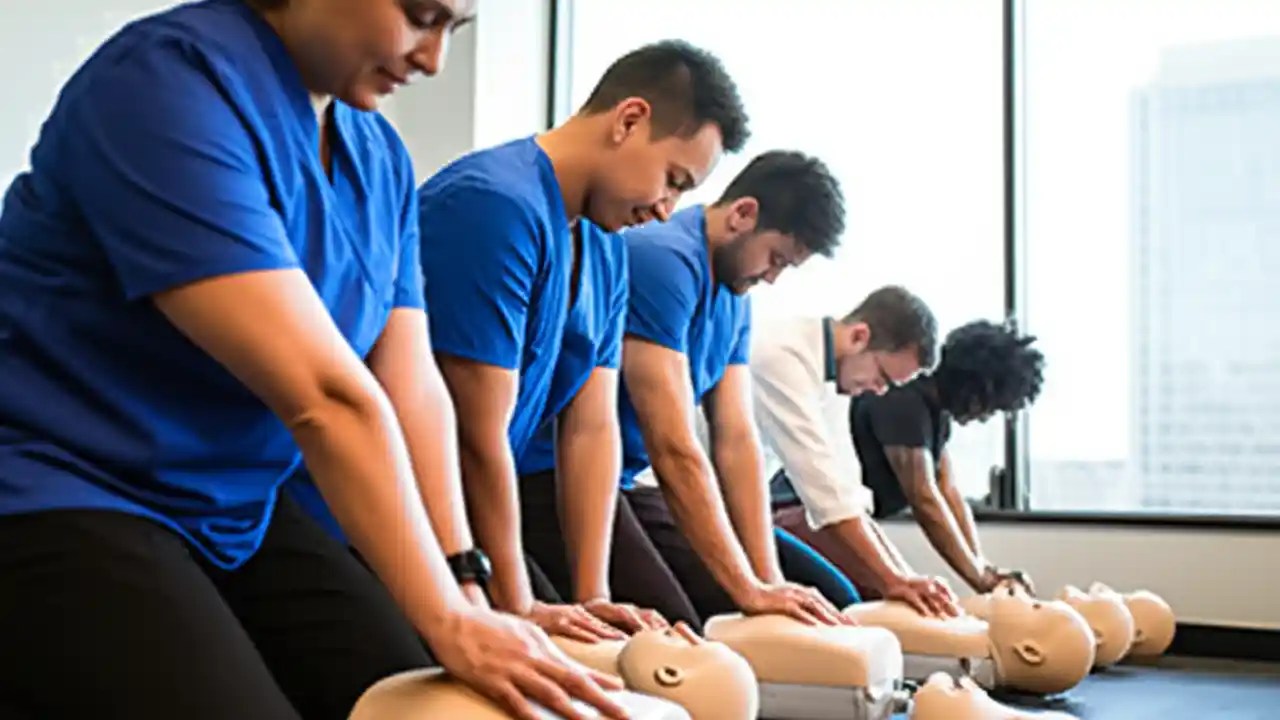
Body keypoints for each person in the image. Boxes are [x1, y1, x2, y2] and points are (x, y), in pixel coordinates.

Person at [0, 3, 627, 720]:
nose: (433, 60)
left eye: (456, 30)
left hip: (235, 504)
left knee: (453, 702)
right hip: (60, 488)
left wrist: (467, 591)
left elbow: (409, 384)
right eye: (422, 16)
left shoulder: (378, 156)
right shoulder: (166, 85)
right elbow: (325, 397)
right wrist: (451, 623)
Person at [415, 40, 751, 641]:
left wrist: (591, 593)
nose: (665, 208)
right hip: (406, 509)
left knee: (637, 653)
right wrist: (516, 602)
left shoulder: (604, 248)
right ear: (629, 120)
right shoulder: (493, 205)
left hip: (476, 510)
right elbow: (474, 431)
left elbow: (591, 428)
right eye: (672, 181)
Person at [606, 150, 856, 631]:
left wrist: (768, 579)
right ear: (743, 214)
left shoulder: (736, 298)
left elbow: (737, 439)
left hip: (628, 485)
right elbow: (674, 447)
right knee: (688, 624)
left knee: (829, 598)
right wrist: (747, 589)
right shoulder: (664, 259)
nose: (772, 277)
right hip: (560, 475)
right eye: (775, 258)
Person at [755, 286, 960, 617]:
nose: (879, 393)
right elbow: (823, 491)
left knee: (847, 594)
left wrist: (905, 576)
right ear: (859, 336)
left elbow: (846, 485)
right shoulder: (783, 355)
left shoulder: (835, 377)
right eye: (883, 379)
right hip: (677, 497)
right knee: (834, 599)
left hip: (739, 512)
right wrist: (892, 579)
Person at [849, 320, 1045, 595]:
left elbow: (948, 493)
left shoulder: (936, 415)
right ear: (974, 387)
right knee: (896, 598)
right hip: (807, 513)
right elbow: (924, 499)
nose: (984, 417)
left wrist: (983, 567)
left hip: (848, 520)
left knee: (906, 596)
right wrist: (979, 580)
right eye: (988, 406)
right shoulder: (904, 400)